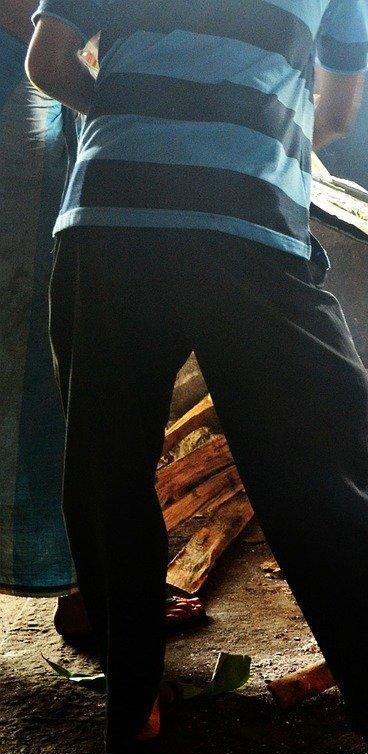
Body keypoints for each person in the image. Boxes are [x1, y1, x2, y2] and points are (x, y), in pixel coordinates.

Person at [25, 0, 368, 754]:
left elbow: (46, 60)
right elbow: (336, 114)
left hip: (104, 224)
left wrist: (145, 121)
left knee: (107, 474)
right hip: (245, 236)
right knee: (331, 491)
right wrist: (255, 144)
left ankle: (132, 706)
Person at [1, 0, 201, 638]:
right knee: (39, 336)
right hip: (16, 87)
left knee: (44, 336)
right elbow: (31, 31)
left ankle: (97, 580)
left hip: (27, 77)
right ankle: (97, 586)